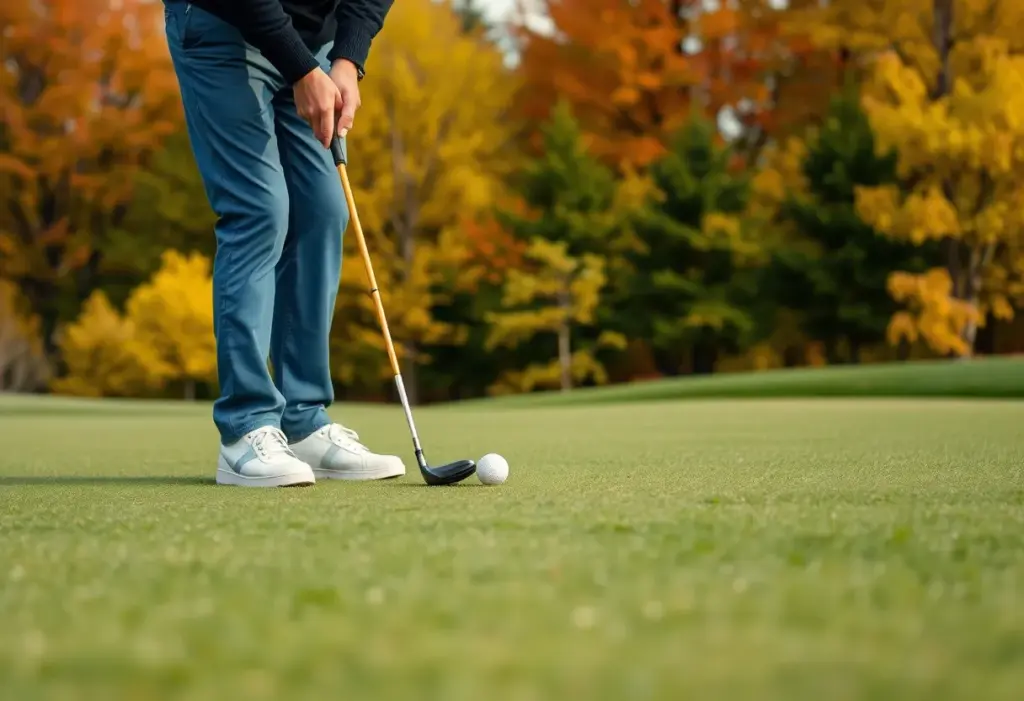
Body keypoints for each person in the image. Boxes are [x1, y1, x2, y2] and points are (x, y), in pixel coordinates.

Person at [161, 0, 403, 487]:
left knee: (323, 209)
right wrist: (301, 69)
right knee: (260, 210)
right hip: (222, 24)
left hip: (315, 42)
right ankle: (245, 426)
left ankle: (303, 418)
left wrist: (348, 59)